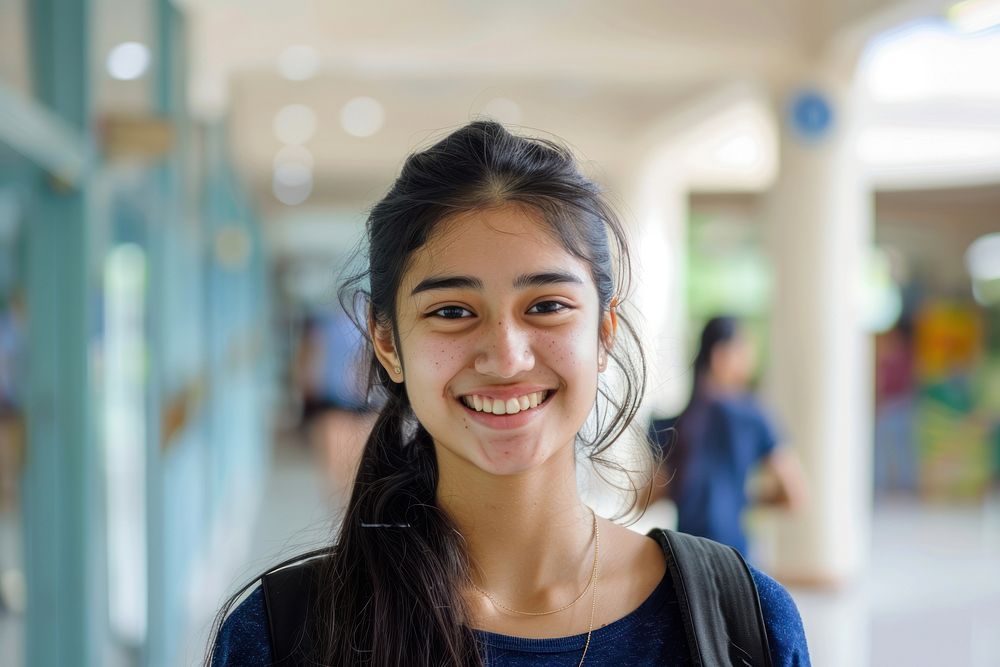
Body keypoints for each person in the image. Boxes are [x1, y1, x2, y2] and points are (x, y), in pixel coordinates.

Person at [209, 122, 809, 666]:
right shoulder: (283, 635)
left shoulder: (739, 623)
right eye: (451, 311)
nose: (506, 356)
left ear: (603, 332)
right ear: (387, 344)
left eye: (546, 306)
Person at [649, 316, 807, 559]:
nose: (750, 360)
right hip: (735, 560)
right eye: (744, 350)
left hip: (685, 560)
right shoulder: (754, 417)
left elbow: (645, 497)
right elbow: (794, 495)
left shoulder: (672, 424)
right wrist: (742, 499)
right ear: (720, 356)